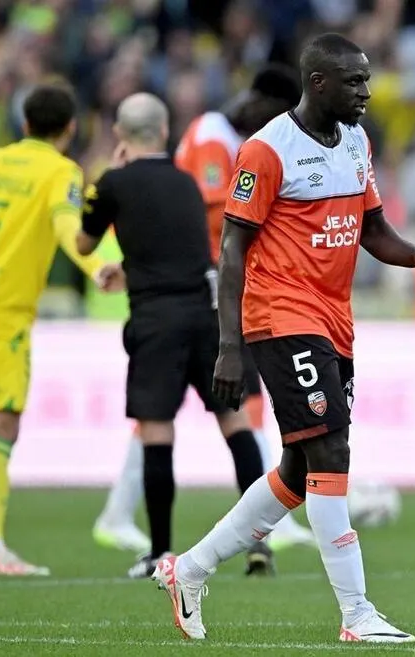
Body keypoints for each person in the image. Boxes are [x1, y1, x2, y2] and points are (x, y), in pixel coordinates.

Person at [150, 34, 415, 643]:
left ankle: (192, 568)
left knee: (296, 466)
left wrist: (414, 255)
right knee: (332, 450)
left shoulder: (356, 142)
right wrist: (229, 345)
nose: (367, 92)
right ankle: (357, 614)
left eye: (367, 80)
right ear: (318, 84)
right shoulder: (266, 151)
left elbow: (372, 229)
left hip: (333, 319)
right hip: (280, 315)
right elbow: (232, 250)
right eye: (356, 82)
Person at [92, 64, 316, 554]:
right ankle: (263, 521)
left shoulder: (225, 137)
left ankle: (124, 514)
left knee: (168, 413)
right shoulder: (214, 137)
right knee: (221, 408)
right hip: (205, 290)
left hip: (191, 285)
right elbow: (217, 221)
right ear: (260, 104)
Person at [78, 92, 273, 579]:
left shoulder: (112, 183)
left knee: (157, 431)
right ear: (165, 132)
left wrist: (110, 180)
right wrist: (131, 268)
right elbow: (177, 247)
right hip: (205, 315)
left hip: (156, 321)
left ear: (120, 135)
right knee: (235, 425)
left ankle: (162, 551)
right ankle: (259, 544)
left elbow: (83, 241)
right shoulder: (188, 183)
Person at [0, 84, 111, 577]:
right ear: (70, 129)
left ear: (24, 123)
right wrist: (97, 265)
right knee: (1, 423)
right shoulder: (60, 171)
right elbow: (66, 227)